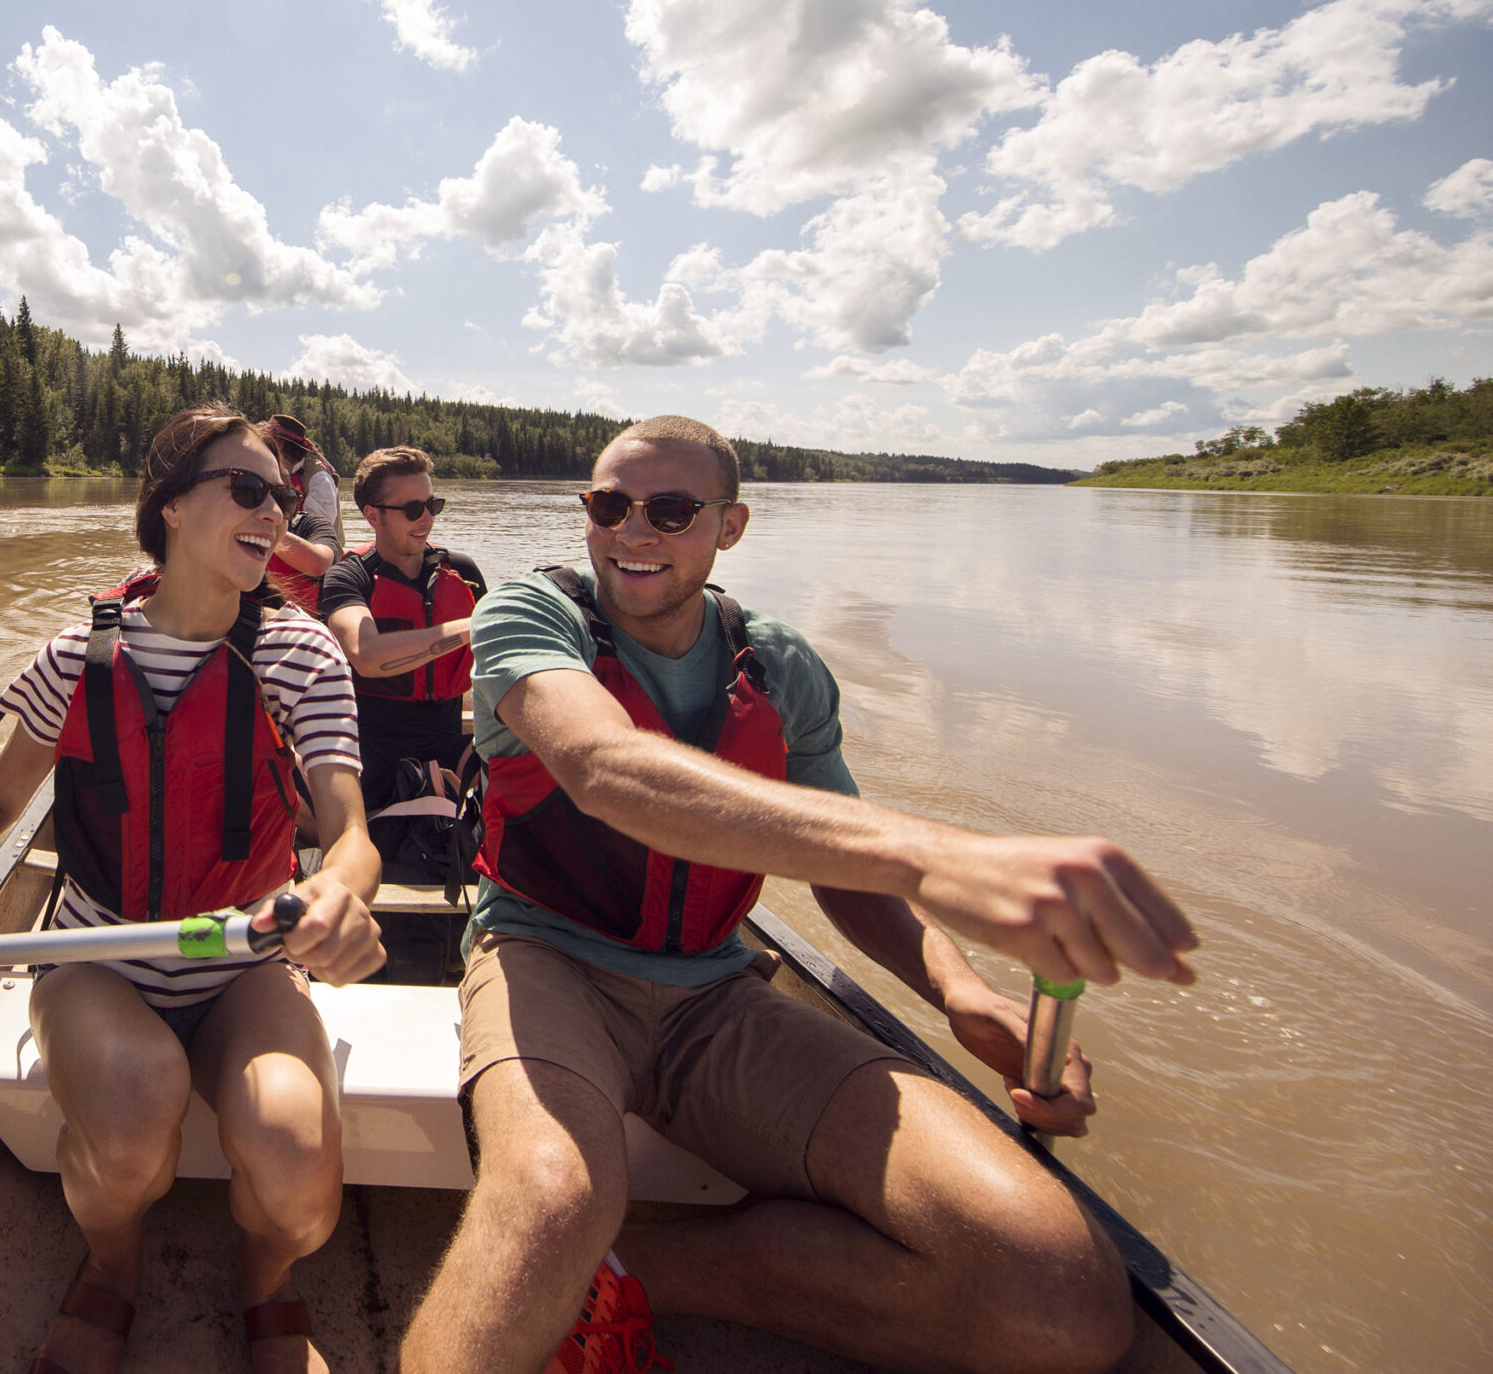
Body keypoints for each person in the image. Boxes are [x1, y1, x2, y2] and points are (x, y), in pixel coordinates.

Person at [400, 416, 1200, 1374]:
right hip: (545, 962)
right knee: (551, 1198)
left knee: (1064, 1302)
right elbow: (605, 767)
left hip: (715, 995)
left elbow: (847, 878)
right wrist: (932, 854)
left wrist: (960, 993)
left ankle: (637, 1267)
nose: (632, 532)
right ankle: (566, 1260)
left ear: (730, 526)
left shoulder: (780, 666)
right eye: (609, 505)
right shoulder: (530, 614)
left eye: (671, 510)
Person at [0, 402, 384, 1374]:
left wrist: (338, 891)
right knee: (130, 1114)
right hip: (97, 955)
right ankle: (113, 1266)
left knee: (297, 1168)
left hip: (244, 959)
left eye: (283, 500)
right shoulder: (74, 657)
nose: (275, 515)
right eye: (248, 489)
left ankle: (266, 1274)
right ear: (169, 506)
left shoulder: (302, 653)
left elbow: (351, 835)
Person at [318, 446, 486, 885]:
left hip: (448, 742)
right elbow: (366, 655)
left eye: (433, 505)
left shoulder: (462, 571)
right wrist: (473, 625)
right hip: (371, 752)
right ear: (372, 515)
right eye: (413, 509)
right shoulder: (347, 578)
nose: (426, 518)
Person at [260, 415, 340, 616]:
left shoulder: (318, 476)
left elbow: (317, 524)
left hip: (312, 557)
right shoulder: (267, 469)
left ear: (280, 444)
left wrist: (264, 529)